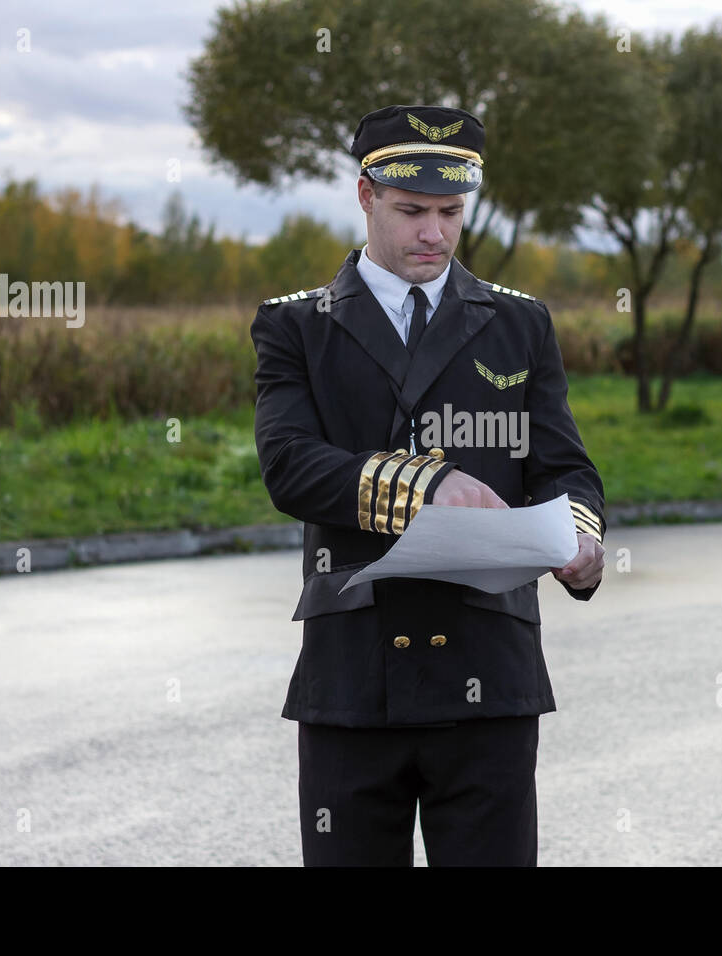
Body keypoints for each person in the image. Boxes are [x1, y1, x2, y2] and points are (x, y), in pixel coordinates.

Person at [250, 103, 605, 866]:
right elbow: (289, 465)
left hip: (490, 671)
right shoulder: (296, 328)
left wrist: (582, 536)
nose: (434, 234)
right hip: (353, 677)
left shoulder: (521, 324)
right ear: (366, 197)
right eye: (412, 210)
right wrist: (426, 485)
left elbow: (563, 466)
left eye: (450, 212)